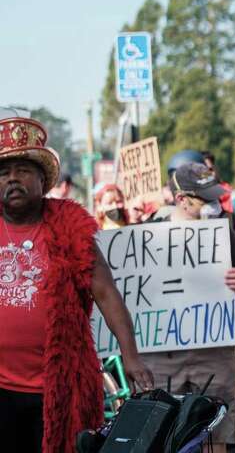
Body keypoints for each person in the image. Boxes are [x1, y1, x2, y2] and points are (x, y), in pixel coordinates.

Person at [0, 115, 153, 453]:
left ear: (42, 180)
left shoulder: (71, 229)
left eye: (23, 170)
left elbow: (106, 293)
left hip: (58, 387)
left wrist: (131, 355)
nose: (13, 179)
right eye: (4, 173)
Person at [141, 161, 235, 453]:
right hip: (164, 354)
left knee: (216, 431)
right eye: (206, 198)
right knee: (164, 432)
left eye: (216, 196)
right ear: (181, 199)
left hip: (214, 353)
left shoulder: (224, 233)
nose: (215, 204)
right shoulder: (149, 235)